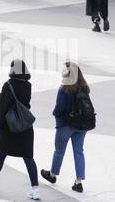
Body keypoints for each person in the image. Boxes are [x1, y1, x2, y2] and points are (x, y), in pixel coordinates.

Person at [0, 58, 40, 200]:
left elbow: (4, 107)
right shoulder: (28, 85)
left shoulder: (8, 84)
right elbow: (19, 100)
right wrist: (0, 96)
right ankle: (35, 189)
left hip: (10, 126)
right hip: (25, 127)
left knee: (1, 154)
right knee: (28, 158)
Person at [40, 61, 94, 193]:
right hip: (82, 125)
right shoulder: (84, 87)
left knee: (59, 151)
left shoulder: (64, 88)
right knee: (79, 151)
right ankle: (79, 181)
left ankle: (52, 175)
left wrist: (55, 114)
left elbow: (59, 108)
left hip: (65, 125)